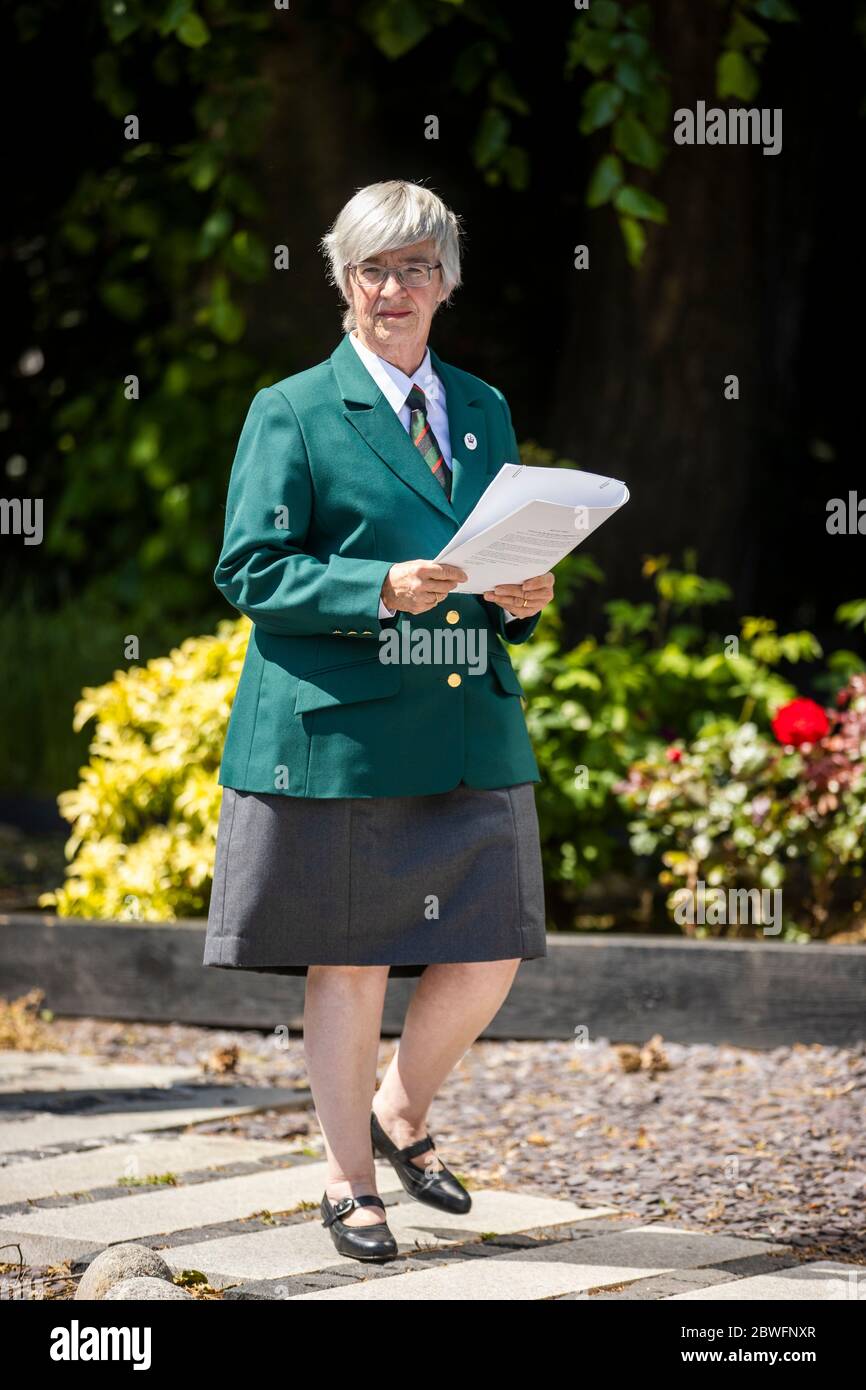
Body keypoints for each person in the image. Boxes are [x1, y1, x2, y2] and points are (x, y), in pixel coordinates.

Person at [203, 179, 554, 1262]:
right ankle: (347, 1182)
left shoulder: (484, 406)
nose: (392, 288)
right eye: (370, 268)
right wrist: (375, 588)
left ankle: (399, 1110)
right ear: (341, 281)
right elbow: (249, 567)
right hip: (343, 726)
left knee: (489, 951)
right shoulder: (292, 409)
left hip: (466, 713)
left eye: (413, 266)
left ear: (446, 278)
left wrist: (522, 593)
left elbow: (498, 543)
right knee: (349, 961)